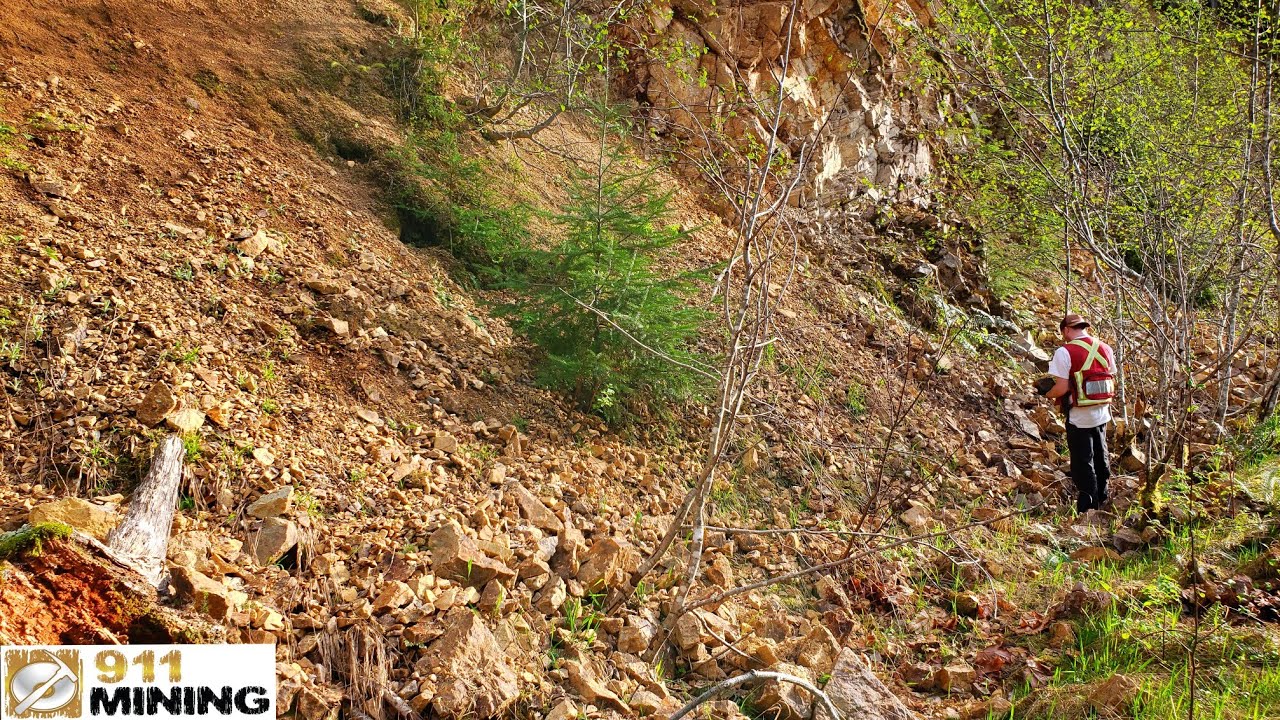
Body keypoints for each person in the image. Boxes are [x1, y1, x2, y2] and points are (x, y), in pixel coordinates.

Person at [1036, 313, 1117, 513]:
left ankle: (1087, 507)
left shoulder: (1065, 351)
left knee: (1082, 462)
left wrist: (1048, 395)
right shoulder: (1105, 348)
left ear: (1066, 330)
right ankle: (1103, 499)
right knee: (1101, 456)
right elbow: (1110, 375)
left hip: (1079, 416)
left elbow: (1062, 387)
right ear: (1084, 327)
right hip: (1102, 413)